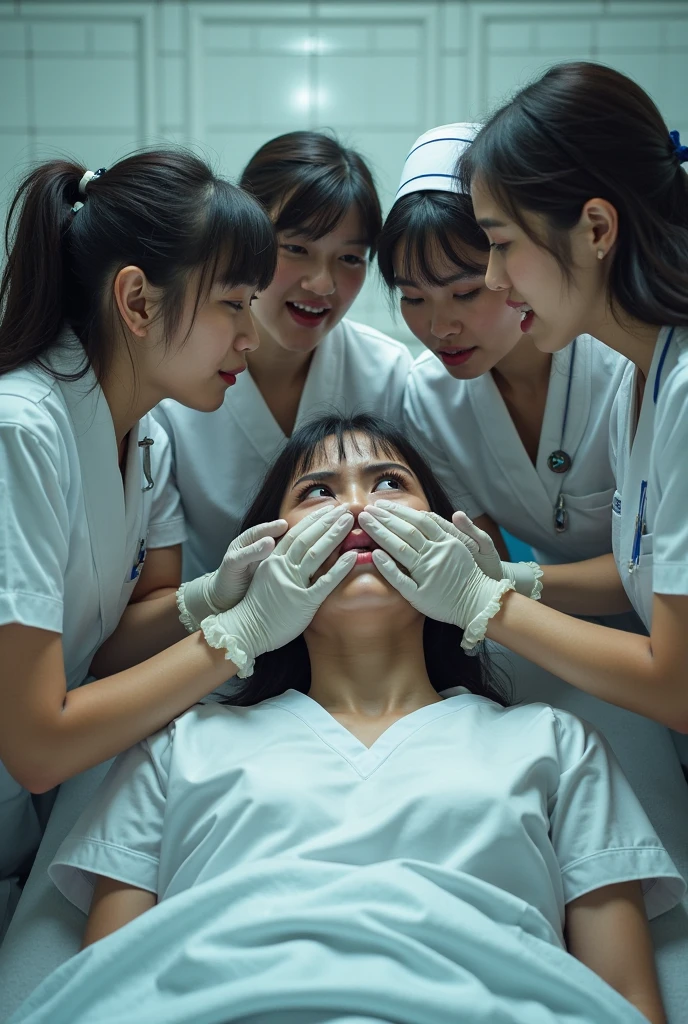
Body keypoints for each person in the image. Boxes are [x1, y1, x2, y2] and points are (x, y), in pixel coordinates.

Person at [9, 415, 684, 1024]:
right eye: (318, 493)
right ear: (264, 553)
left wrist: (496, 598)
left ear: (455, 540)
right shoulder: (177, 747)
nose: (358, 507)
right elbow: (103, 988)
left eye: (390, 482)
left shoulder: (556, 744)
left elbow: (624, 1002)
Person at [0, 150, 355, 939]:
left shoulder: (147, 434)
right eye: (233, 304)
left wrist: (212, 595)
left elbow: (123, 637)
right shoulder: (21, 433)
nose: (251, 333)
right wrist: (238, 636)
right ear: (135, 300)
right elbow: (37, 744)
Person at [362, 62, 688, 734]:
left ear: (596, 229)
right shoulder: (648, 378)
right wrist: (520, 580)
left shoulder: (670, 383)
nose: (494, 277)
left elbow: (679, 687)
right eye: (413, 296)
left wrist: (487, 597)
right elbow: (641, 569)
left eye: (502, 245)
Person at [153, 131, 412, 584]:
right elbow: (157, 592)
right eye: (296, 248)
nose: (322, 283)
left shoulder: (388, 374)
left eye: (350, 258)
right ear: (246, 237)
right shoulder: (172, 391)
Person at [379, 123, 628, 585]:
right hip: (543, 626)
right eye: (413, 298)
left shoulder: (623, 366)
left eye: (467, 293)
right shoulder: (429, 396)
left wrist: (512, 583)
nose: (440, 328)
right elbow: (483, 562)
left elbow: (651, 567)